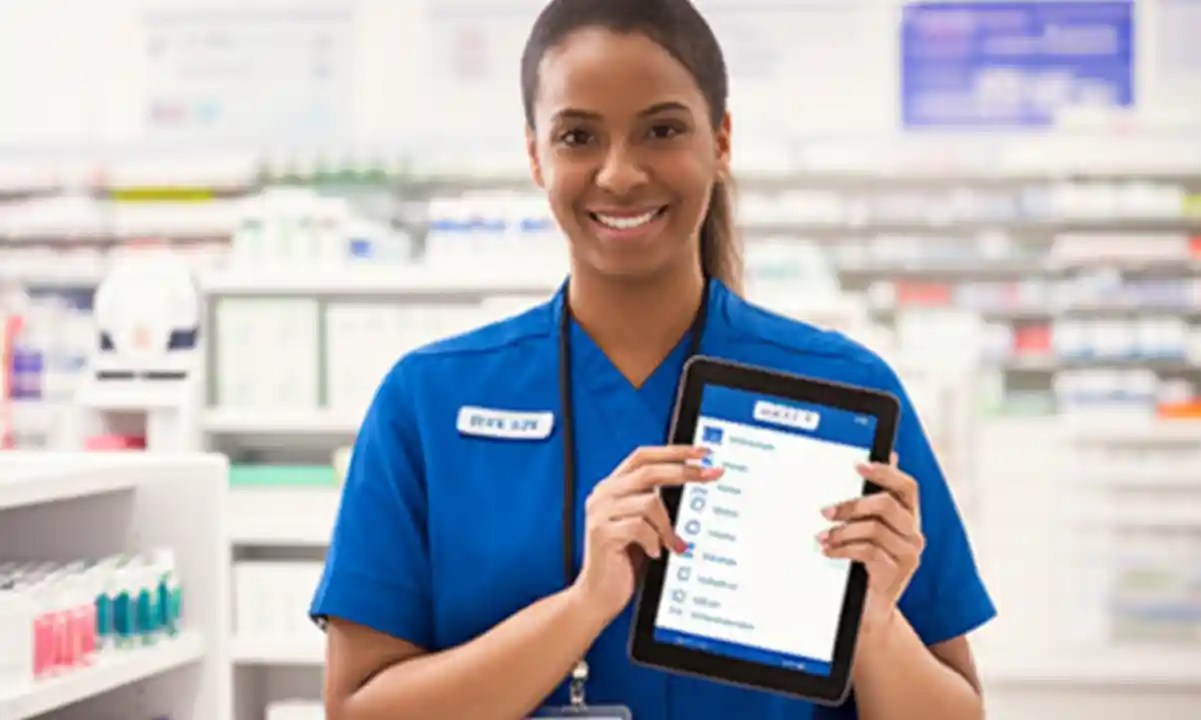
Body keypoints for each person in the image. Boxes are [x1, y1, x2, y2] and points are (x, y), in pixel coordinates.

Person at [309, 0, 996, 717]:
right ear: (536, 156)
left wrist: (873, 623)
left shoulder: (840, 391)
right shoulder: (429, 402)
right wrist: (585, 604)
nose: (620, 174)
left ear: (721, 141)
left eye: (662, 130)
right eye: (578, 136)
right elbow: (359, 707)